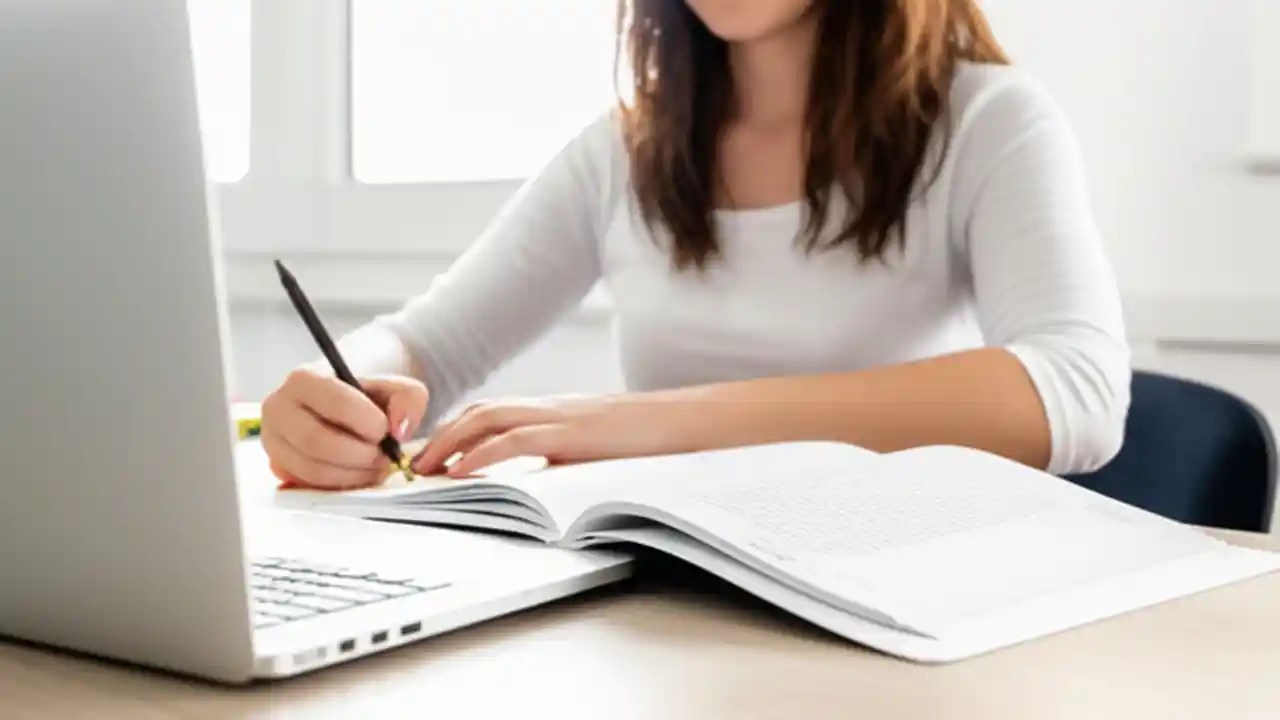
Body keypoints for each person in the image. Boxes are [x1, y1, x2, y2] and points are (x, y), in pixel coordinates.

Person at [261, 0, 1130, 490]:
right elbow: (429, 342)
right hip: (673, 595)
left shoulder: (986, 120)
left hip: (895, 604)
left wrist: (642, 425)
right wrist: (340, 387)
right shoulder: (623, 150)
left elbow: (1078, 392)